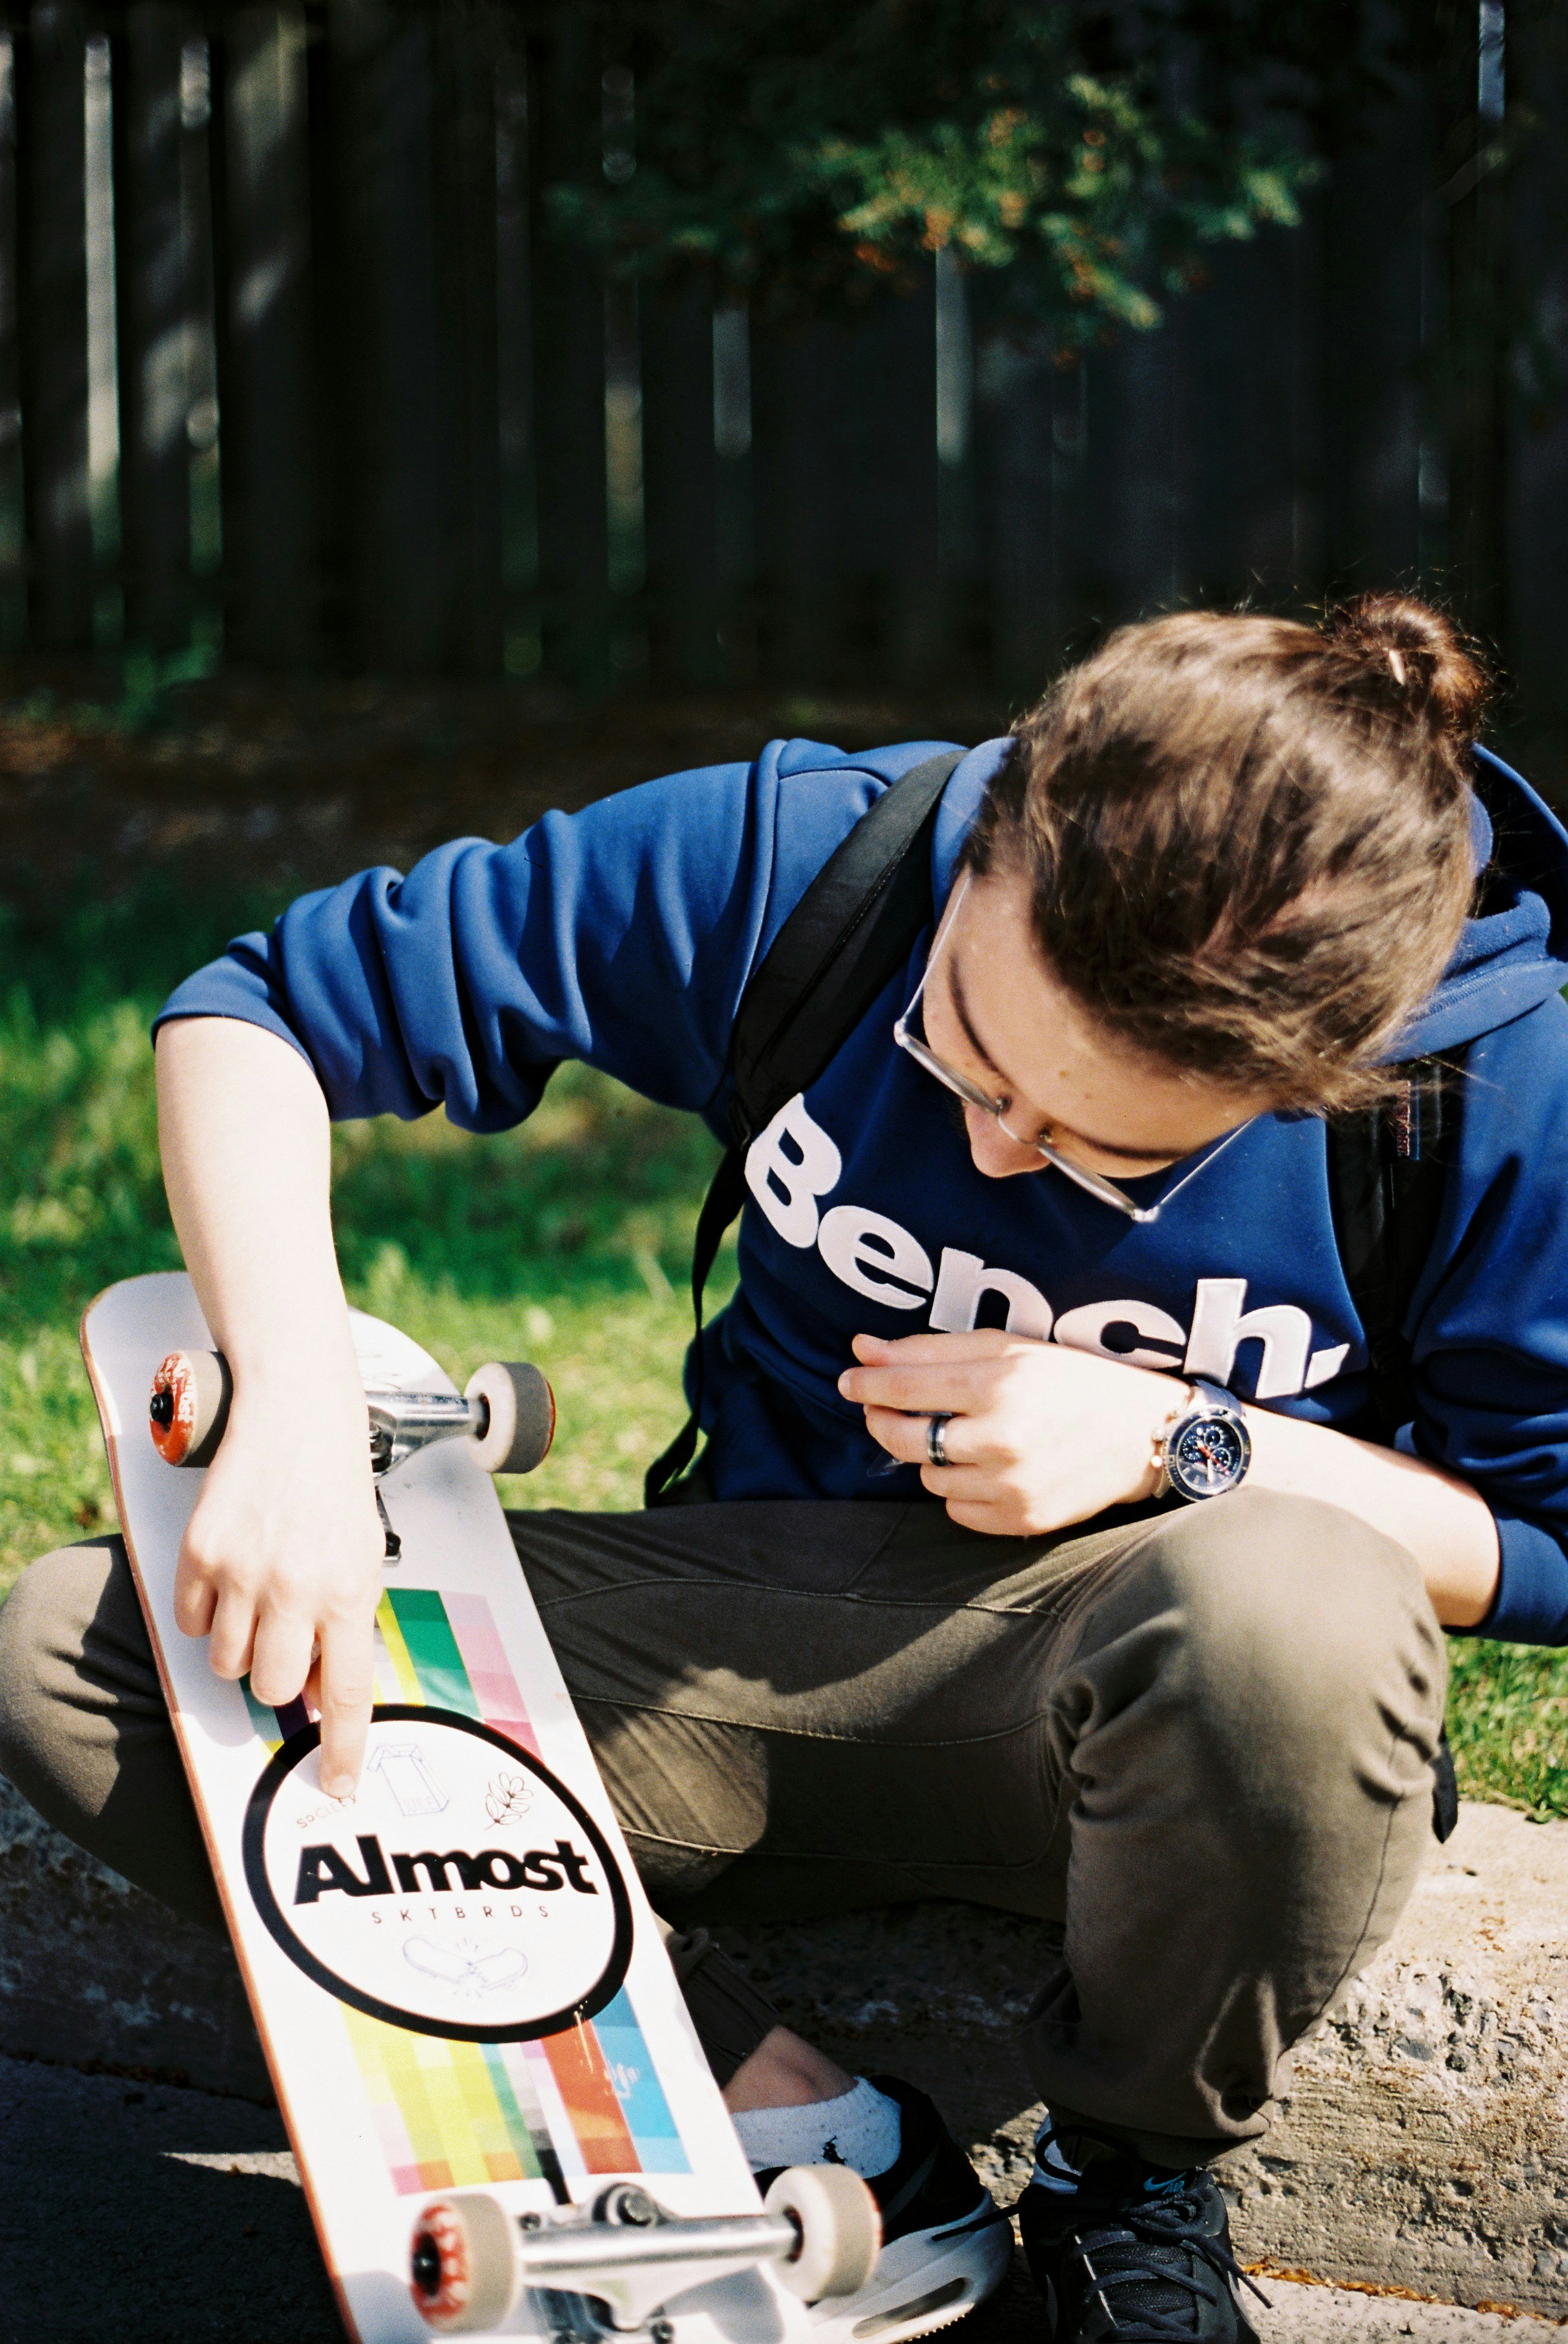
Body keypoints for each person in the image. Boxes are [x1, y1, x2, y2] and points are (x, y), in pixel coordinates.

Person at [3, 592, 1565, 2344]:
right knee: (82, 1647)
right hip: (735, 1642)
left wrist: (1177, 1440)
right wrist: (290, 1403)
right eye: (965, 1050)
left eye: (1096, 1146)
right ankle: (780, 2114)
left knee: (1297, 1603)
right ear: (989, 838)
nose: (995, 1148)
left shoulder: (1498, 1085)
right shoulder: (812, 859)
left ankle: (1128, 2184)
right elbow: (261, 1008)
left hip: (1153, 1729)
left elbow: (1548, 1539)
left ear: (1323, 1079)